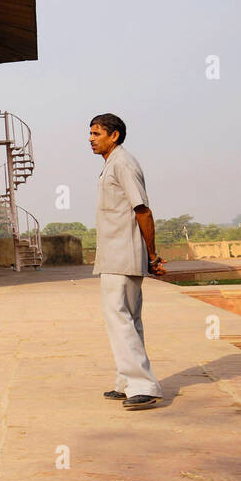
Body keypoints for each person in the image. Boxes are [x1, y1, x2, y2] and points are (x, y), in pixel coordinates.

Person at [90, 113, 164, 410]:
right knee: (130, 320)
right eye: (91, 134)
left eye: (96, 134)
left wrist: (153, 254)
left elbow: (142, 210)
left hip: (121, 255)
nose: (91, 139)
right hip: (120, 253)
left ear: (114, 136)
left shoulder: (122, 162)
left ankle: (143, 385)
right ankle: (127, 382)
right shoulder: (113, 163)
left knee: (118, 319)